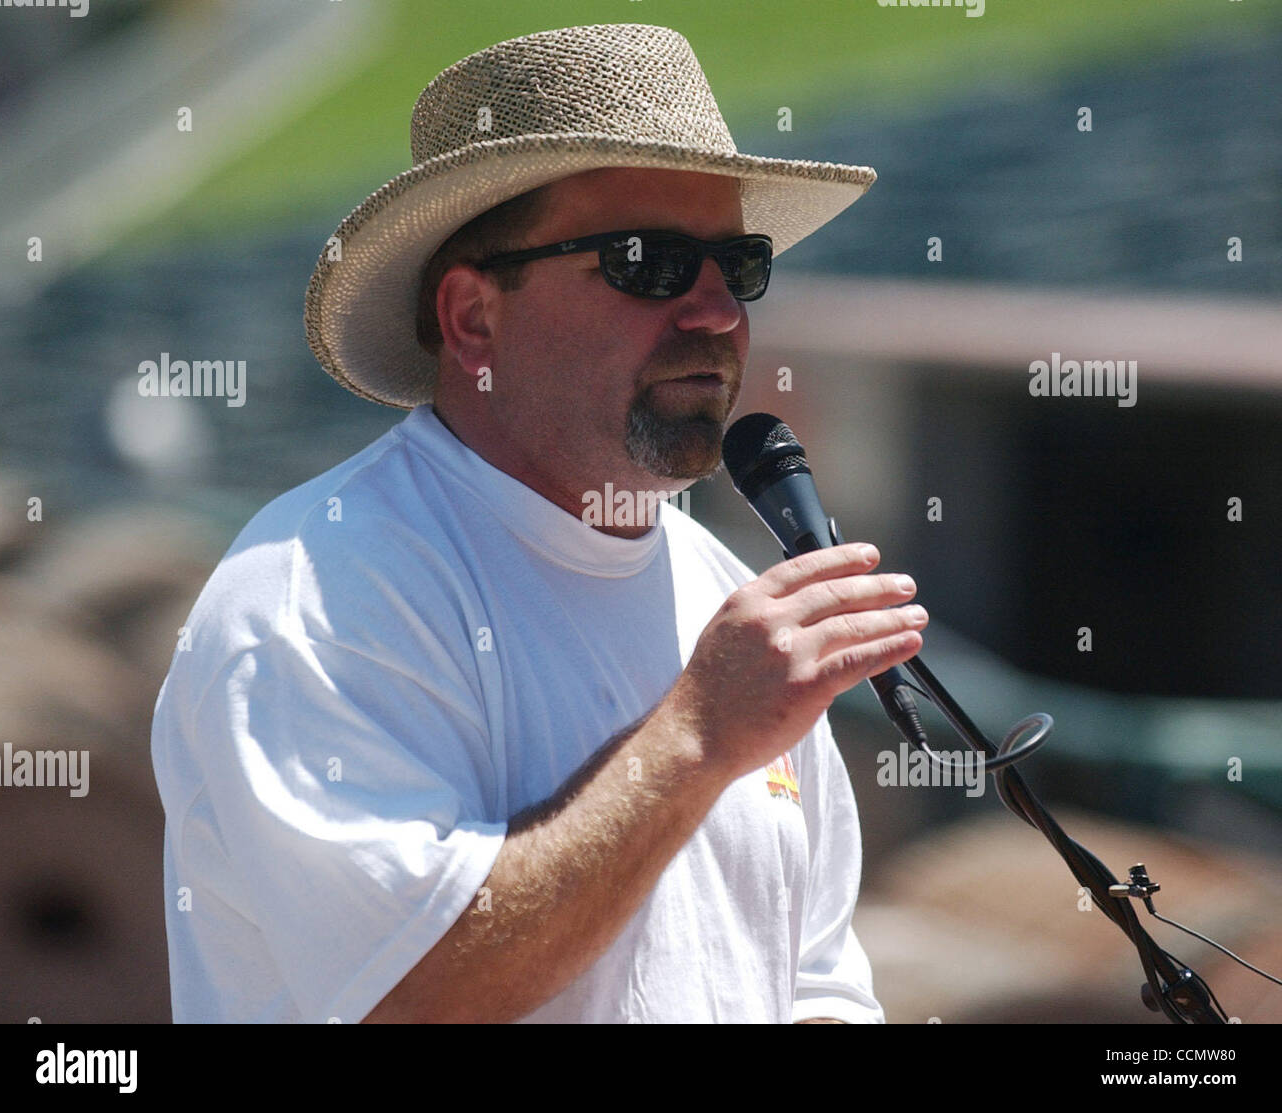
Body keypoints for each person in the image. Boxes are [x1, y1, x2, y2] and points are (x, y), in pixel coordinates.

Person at [151, 22, 927, 1024]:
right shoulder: (316, 593)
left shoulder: (720, 597)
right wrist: (696, 737)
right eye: (647, 262)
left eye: (735, 264)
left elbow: (811, 981)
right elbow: (407, 992)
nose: (714, 313)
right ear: (475, 317)